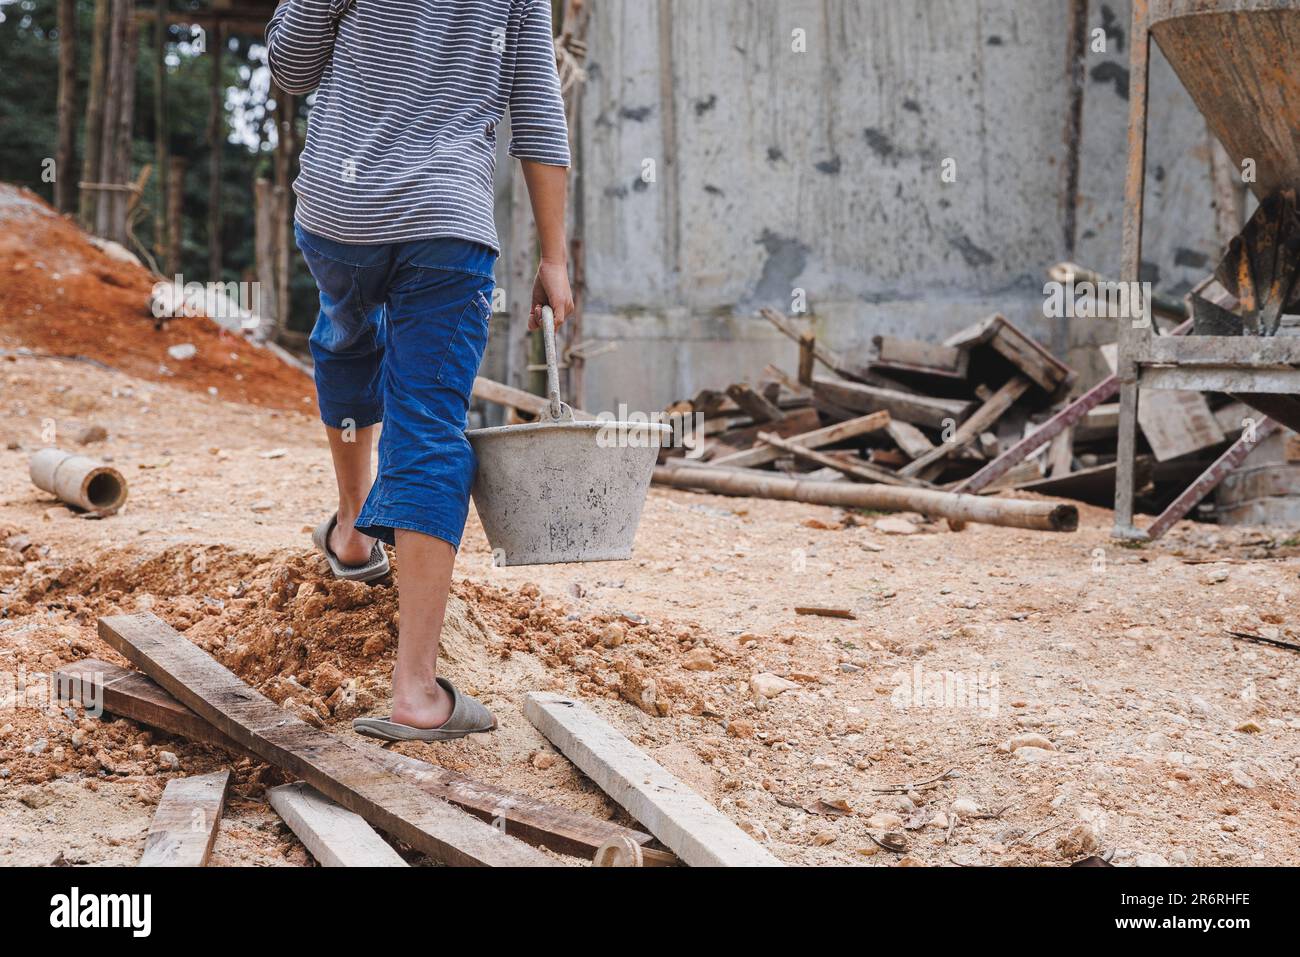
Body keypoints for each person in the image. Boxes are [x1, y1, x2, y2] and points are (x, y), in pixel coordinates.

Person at [266, 0, 574, 741]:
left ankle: (352, 530)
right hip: (446, 218)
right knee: (430, 421)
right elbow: (537, 108)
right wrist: (555, 257)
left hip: (341, 212)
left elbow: (291, 69)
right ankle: (416, 691)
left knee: (346, 339)